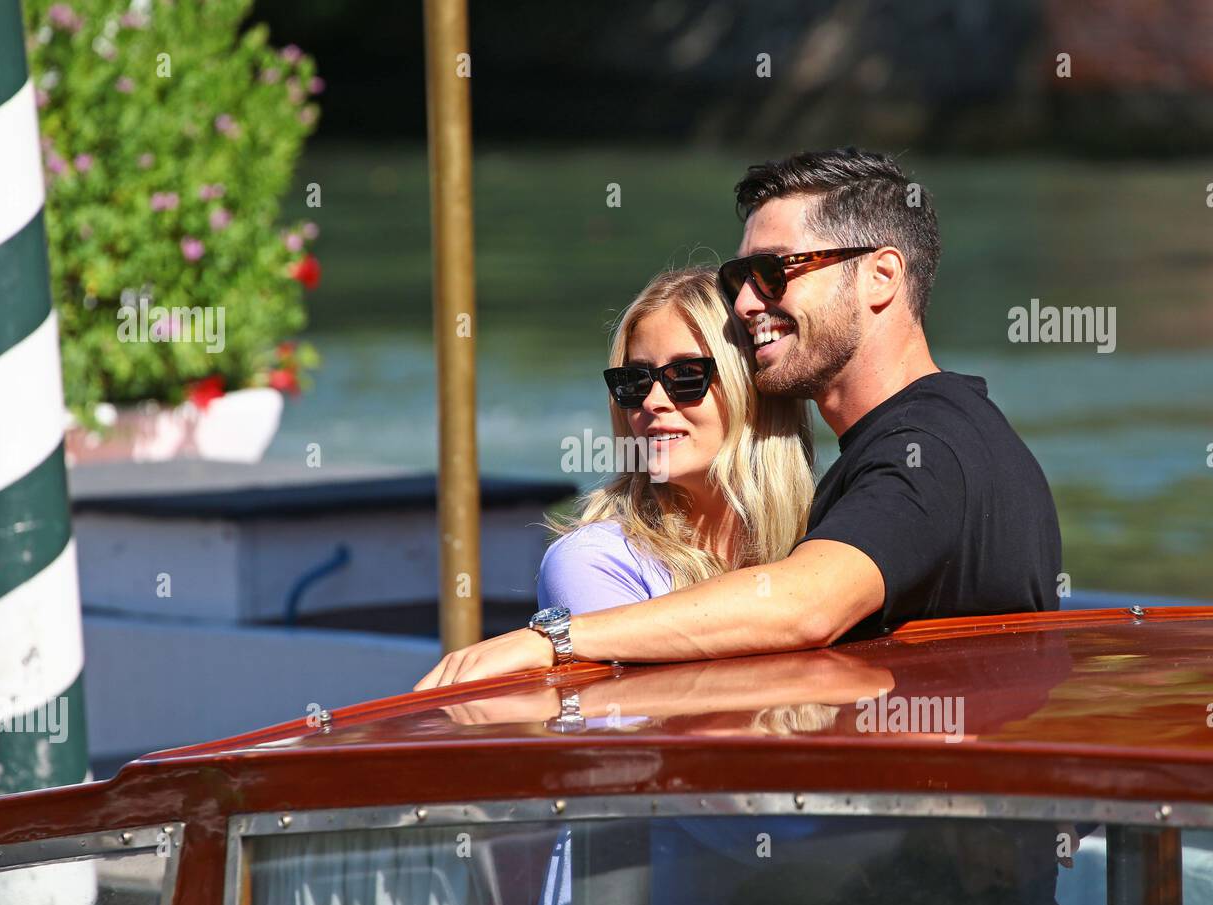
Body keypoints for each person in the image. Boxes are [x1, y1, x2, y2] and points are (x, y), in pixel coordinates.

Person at [414, 147, 1062, 691]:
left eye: (774, 272)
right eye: (738, 278)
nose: (747, 302)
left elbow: (805, 605)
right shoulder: (904, 452)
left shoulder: (928, 448)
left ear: (881, 277)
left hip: (933, 839)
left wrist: (554, 639)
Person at [536, 265, 815, 618]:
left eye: (685, 375)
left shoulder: (830, 534)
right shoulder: (594, 561)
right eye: (634, 380)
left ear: (751, 386)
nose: (652, 401)